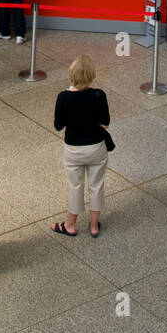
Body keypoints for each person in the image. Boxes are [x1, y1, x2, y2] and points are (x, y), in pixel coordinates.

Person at [49, 55, 111, 238]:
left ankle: (70, 225)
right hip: (97, 147)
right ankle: (93, 225)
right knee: (96, 185)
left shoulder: (63, 97)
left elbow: (58, 125)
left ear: (72, 75)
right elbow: (105, 123)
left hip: (73, 150)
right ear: (92, 75)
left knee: (76, 186)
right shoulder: (99, 95)